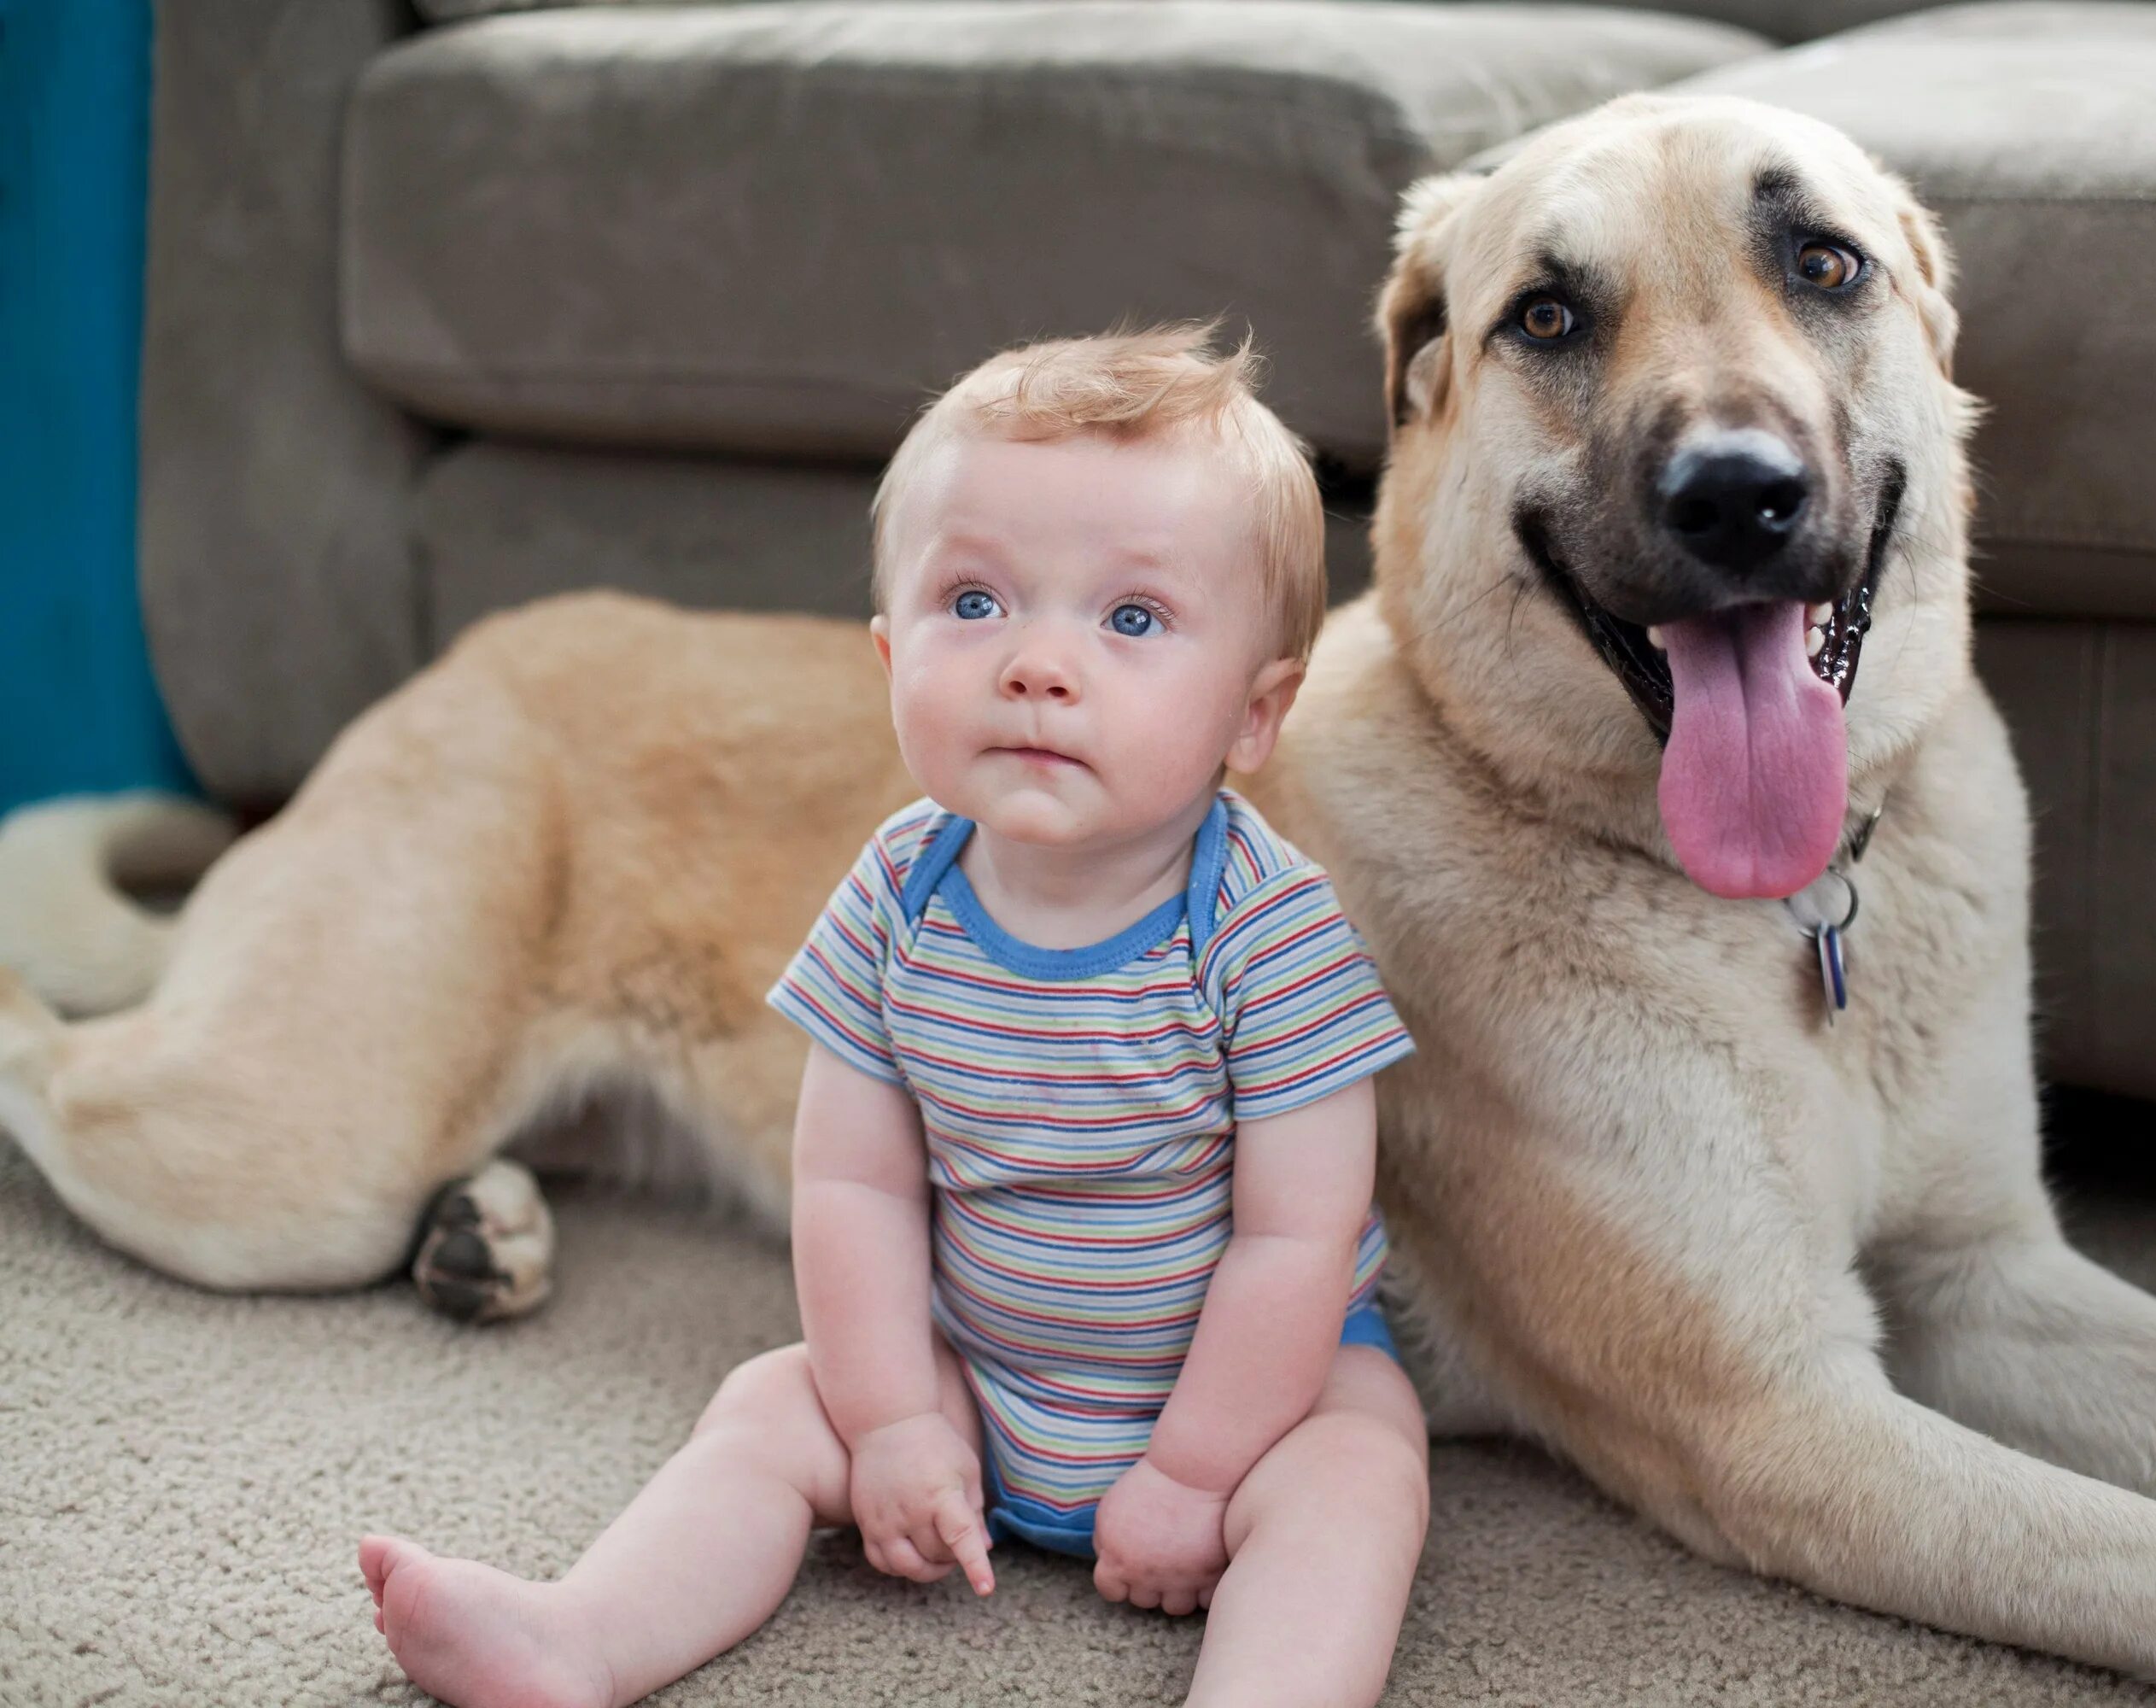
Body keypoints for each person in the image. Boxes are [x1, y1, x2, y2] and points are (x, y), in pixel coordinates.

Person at [358, 325, 1433, 1708]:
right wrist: (889, 1423)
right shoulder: (896, 893)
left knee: (1361, 1474)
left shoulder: (1267, 931)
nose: (1038, 665)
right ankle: (580, 1637)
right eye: (976, 602)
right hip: (979, 1368)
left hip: (1253, 1395)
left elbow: (1297, 1240)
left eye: (1131, 620)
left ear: (1254, 714)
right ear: (888, 658)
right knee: (768, 1404)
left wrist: (1196, 1471)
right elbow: (854, 1185)